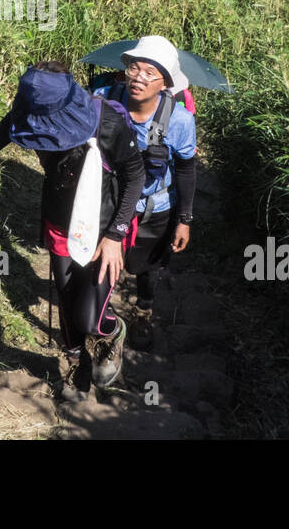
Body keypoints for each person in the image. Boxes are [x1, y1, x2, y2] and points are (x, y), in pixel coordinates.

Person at [0, 62, 144, 401]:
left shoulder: (106, 121)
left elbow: (135, 176)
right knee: (67, 300)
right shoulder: (27, 113)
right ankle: (76, 363)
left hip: (104, 228)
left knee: (90, 318)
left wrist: (115, 237)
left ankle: (112, 333)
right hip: (60, 223)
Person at [92, 36, 197, 350]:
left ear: (165, 83)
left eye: (150, 73)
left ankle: (143, 311)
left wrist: (184, 219)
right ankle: (101, 321)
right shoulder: (101, 102)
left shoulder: (179, 121)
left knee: (148, 266)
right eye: (134, 69)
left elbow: (186, 169)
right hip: (107, 201)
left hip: (155, 205)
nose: (138, 77)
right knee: (101, 261)